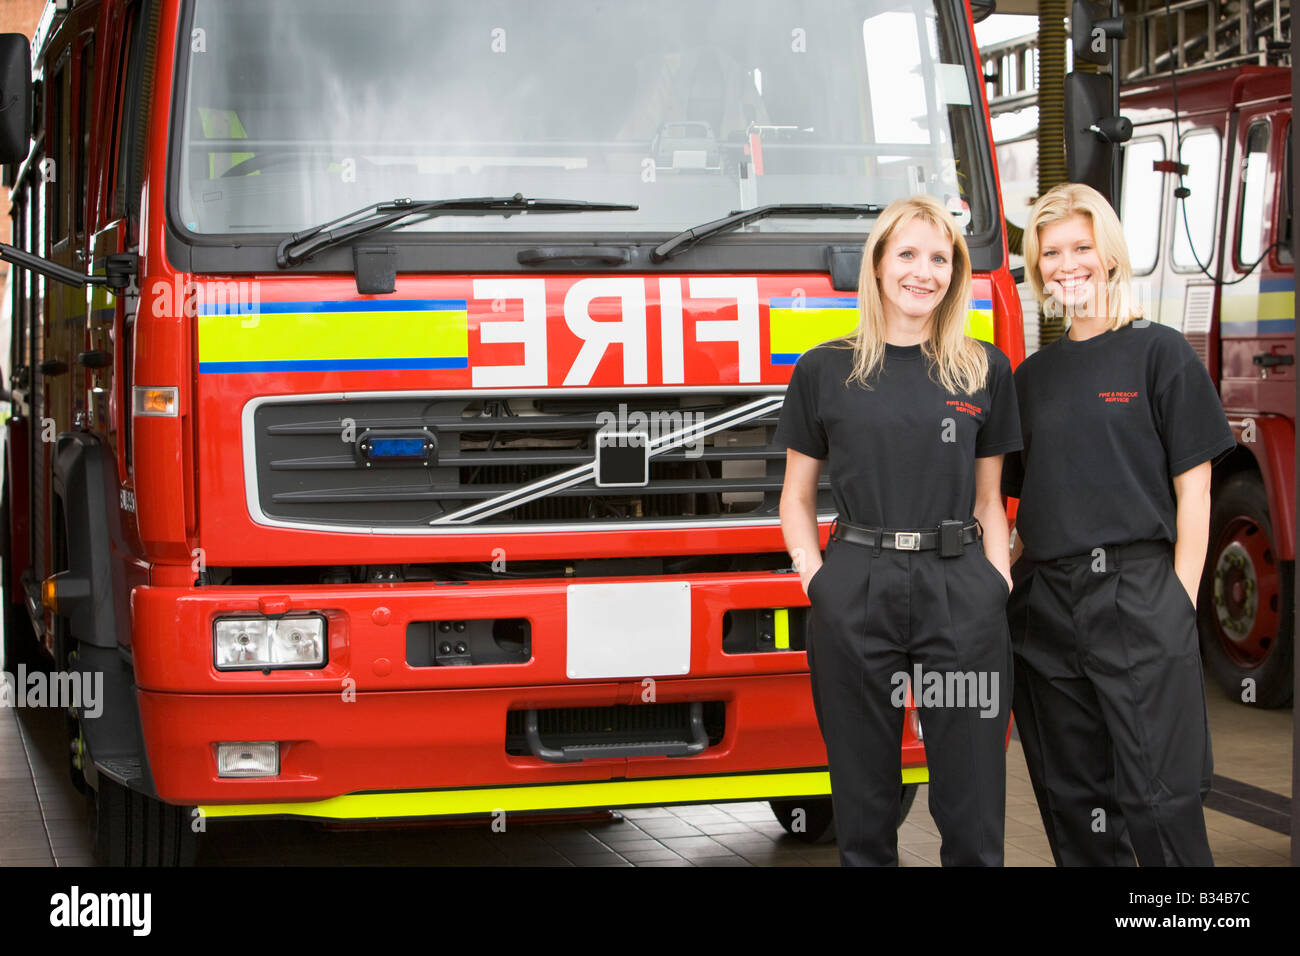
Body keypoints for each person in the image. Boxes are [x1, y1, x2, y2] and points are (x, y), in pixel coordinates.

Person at [775, 194, 1022, 866]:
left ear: (955, 272)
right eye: (908, 254)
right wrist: (815, 578)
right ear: (878, 264)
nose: (924, 271)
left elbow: (990, 498)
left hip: (961, 590)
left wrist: (994, 582)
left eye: (940, 258)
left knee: (971, 806)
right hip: (855, 587)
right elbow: (795, 498)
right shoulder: (827, 369)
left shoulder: (983, 369)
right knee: (864, 803)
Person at [1002, 182, 1234, 866]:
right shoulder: (1032, 378)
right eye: (1051, 253)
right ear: (1037, 266)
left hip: (1137, 594)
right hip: (1046, 606)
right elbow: (1021, 506)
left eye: (1081, 247)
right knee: (1074, 804)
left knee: (1159, 800)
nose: (1067, 264)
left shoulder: (1159, 354)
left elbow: (1196, 494)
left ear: (1109, 256)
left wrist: (1179, 602)